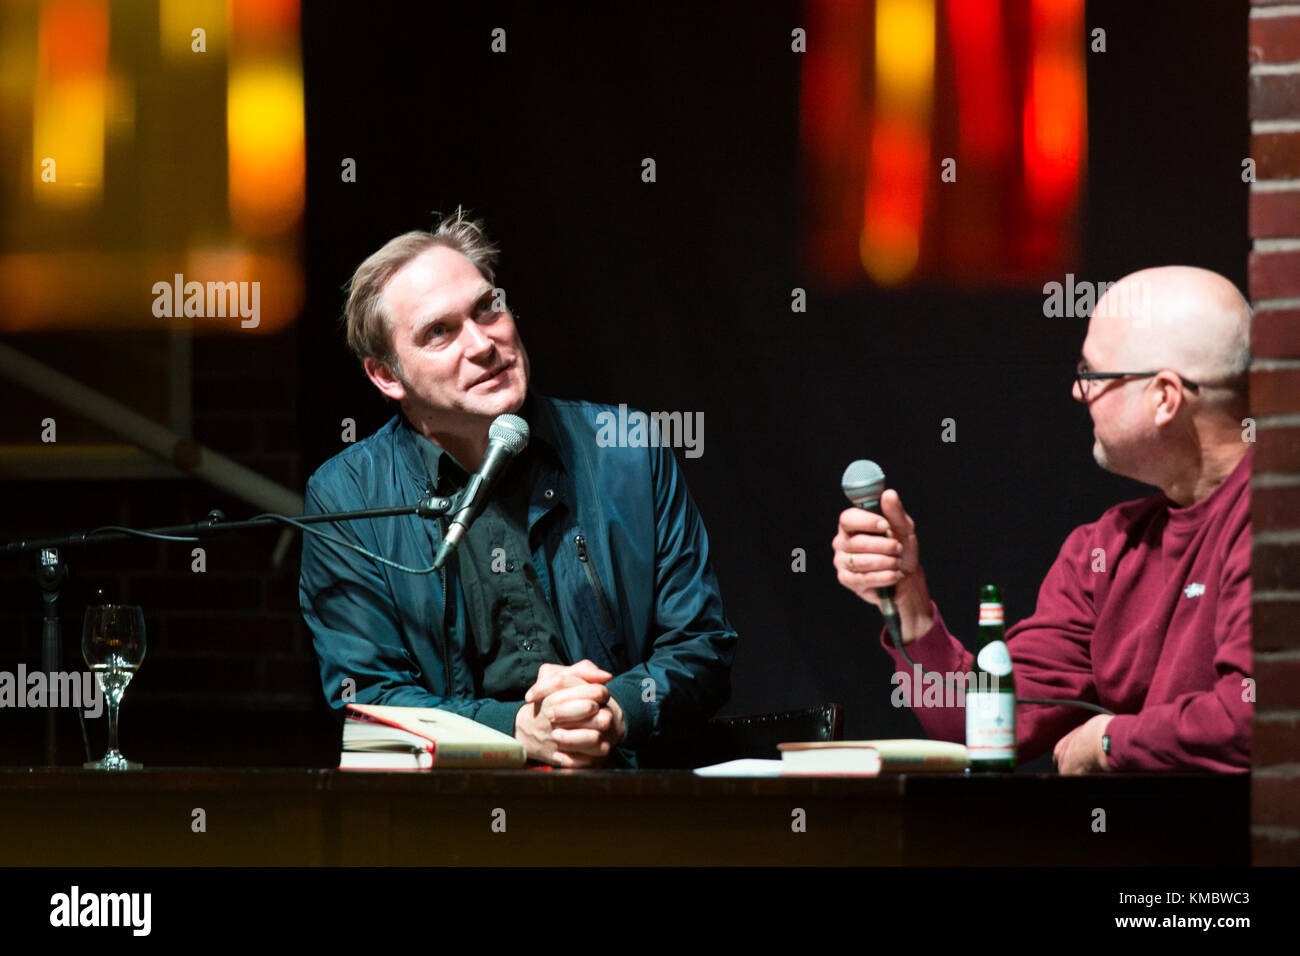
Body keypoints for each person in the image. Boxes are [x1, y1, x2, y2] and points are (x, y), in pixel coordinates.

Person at [299, 210, 736, 768]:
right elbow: (368, 704)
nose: (482, 344)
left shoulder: (626, 447)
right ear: (387, 376)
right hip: (451, 824)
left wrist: (612, 711)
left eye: (488, 308)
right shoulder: (347, 497)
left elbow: (702, 645)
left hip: (626, 801)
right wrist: (520, 733)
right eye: (440, 332)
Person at [832, 266, 1252, 773]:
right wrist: (910, 604)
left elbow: (1254, 723)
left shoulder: (1274, 523)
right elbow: (986, 723)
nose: (1078, 393)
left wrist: (1111, 742)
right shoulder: (1105, 548)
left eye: (1091, 374)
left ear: (1164, 397)